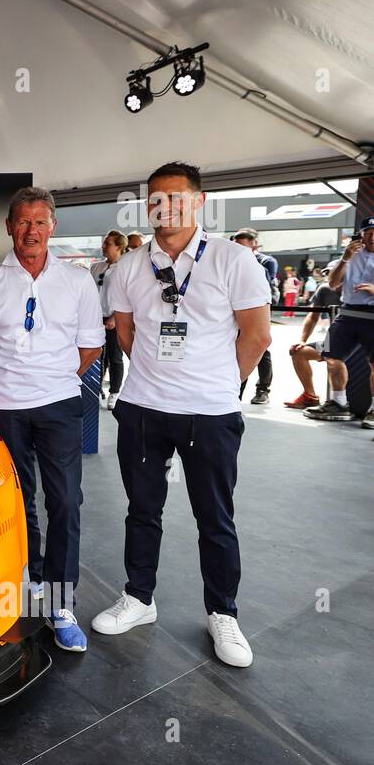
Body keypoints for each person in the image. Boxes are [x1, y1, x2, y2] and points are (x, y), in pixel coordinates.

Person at [90, 161, 271, 668]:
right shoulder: (128, 267)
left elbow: (257, 337)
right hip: (144, 408)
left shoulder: (235, 261)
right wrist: (156, 377)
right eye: (155, 199)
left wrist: (215, 384)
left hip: (210, 413)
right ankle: (139, 598)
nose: (164, 207)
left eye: (176, 197)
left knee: (215, 517)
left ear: (198, 203)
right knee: (142, 510)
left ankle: (223, 612)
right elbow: (125, 335)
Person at [0, 187, 104, 652]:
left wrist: (48, 381)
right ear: (9, 227)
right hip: (5, 408)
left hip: (61, 404)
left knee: (65, 500)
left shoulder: (78, 281)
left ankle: (61, 604)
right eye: (23, 222)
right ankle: (30, 582)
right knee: (16, 503)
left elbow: (90, 347)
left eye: (40, 221)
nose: (31, 230)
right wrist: (16, 381)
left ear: (53, 227)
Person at [323, 216, 374, 432]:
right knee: (331, 358)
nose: (372, 237)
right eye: (368, 232)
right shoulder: (350, 256)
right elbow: (333, 283)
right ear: (361, 235)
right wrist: (345, 258)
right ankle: (339, 403)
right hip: (347, 314)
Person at [287, 278, 348, 416]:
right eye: (331, 274)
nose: (335, 280)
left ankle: (344, 403)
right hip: (334, 343)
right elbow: (313, 316)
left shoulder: (362, 292)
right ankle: (310, 396)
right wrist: (302, 340)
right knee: (298, 352)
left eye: (340, 277)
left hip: (361, 342)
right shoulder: (325, 289)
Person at [231, 228, 276, 404]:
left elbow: (265, 290)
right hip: (233, 314)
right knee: (238, 350)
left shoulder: (264, 263)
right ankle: (235, 394)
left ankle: (263, 389)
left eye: (243, 247)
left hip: (257, 310)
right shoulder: (230, 261)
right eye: (236, 246)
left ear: (254, 244)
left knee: (260, 348)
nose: (238, 251)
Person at [89, 229, 127, 408]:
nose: (103, 246)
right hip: (96, 318)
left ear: (119, 246)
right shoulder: (96, 267)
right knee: (96, 354)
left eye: (108, 244)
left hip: (115, 319)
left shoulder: (126, 267)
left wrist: (115, 317)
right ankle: (95, 389)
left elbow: (128, 296)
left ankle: (114, 392)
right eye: (104, 243)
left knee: (115, 356)